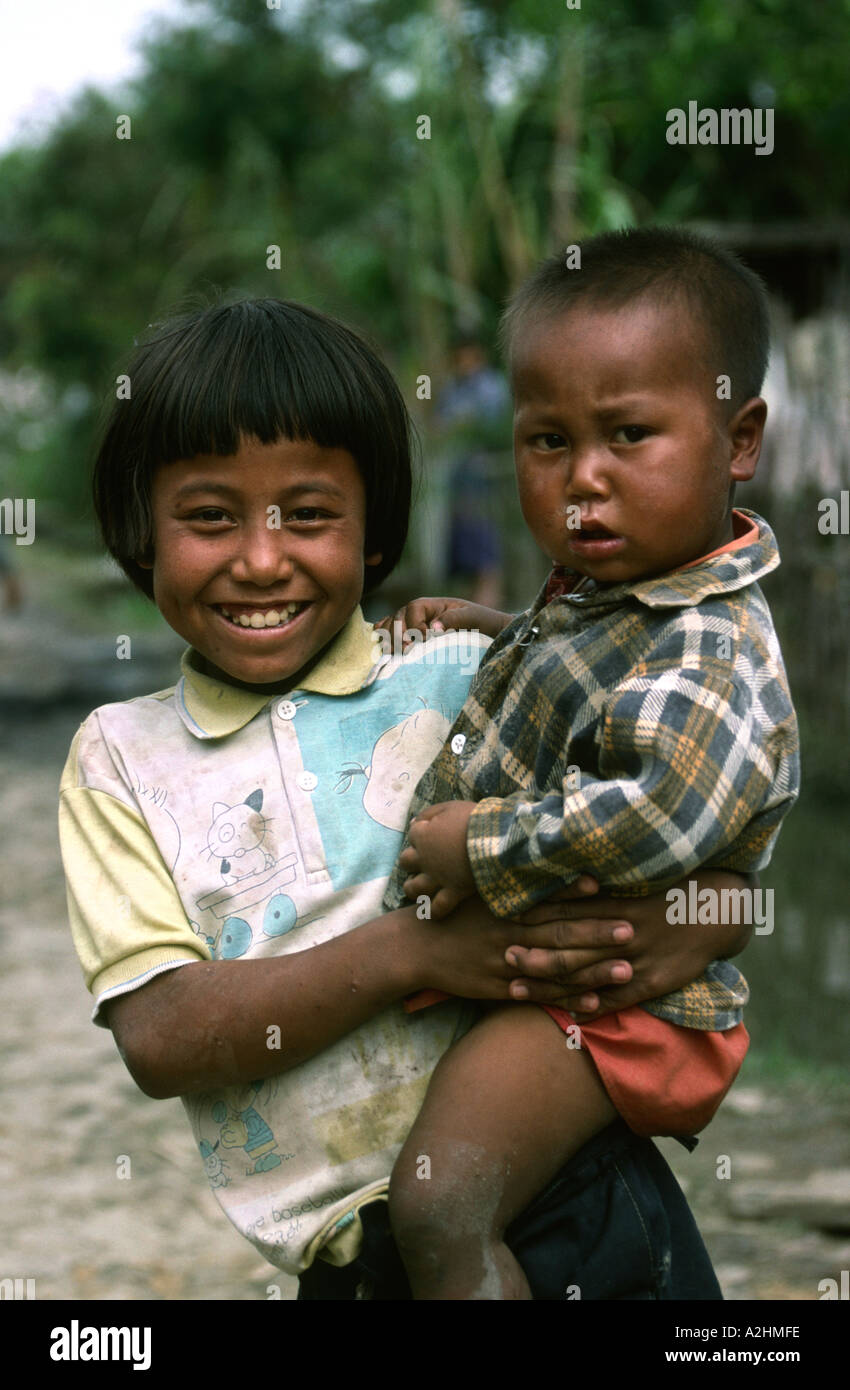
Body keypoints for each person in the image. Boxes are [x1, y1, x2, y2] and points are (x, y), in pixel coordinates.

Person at [59, 295, 752, 1301]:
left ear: (374, 527)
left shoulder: (467, 675)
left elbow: (703, 827)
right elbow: (163, 1039)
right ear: (140, 527)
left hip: (585, 1201)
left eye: (308, 514)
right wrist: (414, 951)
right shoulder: (119, 760)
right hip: (359, 1266)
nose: (260, 557)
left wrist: (713, 919)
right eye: (210, 516)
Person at [380, 227, 800, 1300]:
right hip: (574, 983)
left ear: (737, 437)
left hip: (616, 1004)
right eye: (547, 443)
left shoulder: (713, 640)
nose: (584, 482)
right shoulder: (612, 593)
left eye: (627, 435)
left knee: (439, 1203)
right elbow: (586, 680)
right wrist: (491, 627)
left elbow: (652, 812)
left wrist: (478, 842)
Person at [436, 335, 510, 610]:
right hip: (461, 479)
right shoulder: (453, 389)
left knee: (486, 548)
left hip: (487, 478)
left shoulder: (492, 387)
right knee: (464, 552)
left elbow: (494, 427)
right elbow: (441, 425)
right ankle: (472, 611)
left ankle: (489, 610)